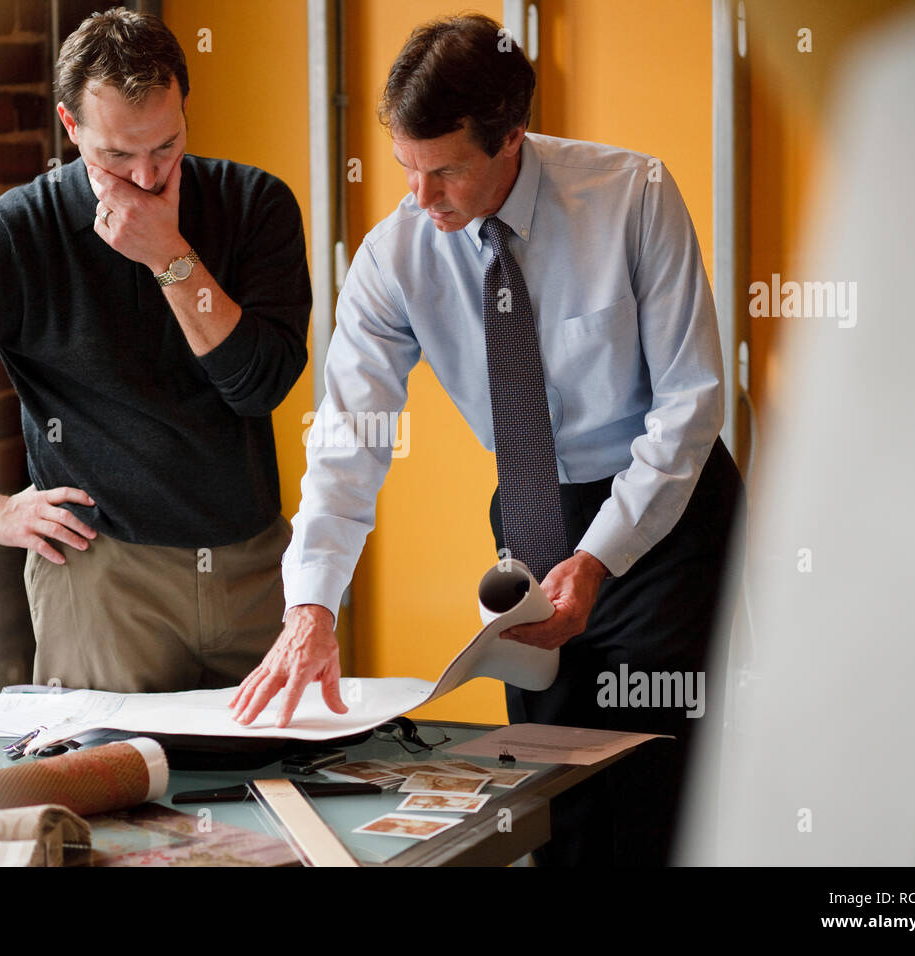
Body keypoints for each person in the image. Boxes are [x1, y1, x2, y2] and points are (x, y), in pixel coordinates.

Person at [230, 14, 743, 866]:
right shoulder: (395, 258)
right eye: (407, 169)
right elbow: (349, 439)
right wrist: (312, 603)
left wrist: (603, 555)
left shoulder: (632, 197)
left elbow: (691, 402)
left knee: (660, 794)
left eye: (445, 172)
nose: (423, 198)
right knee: (548, 795)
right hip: (536, 520)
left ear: (511, 137)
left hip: (666, 518)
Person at [0, 10, 310, 694]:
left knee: (282, 779)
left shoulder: (257, 205)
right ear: (71, 128)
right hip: (103, 578)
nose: (148, 176)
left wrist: (170, 256)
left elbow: (258, 385)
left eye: (165, 145)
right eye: (117, 157)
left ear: (184, 105)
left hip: (253, 565)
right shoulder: (17, 234)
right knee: (111, 787)